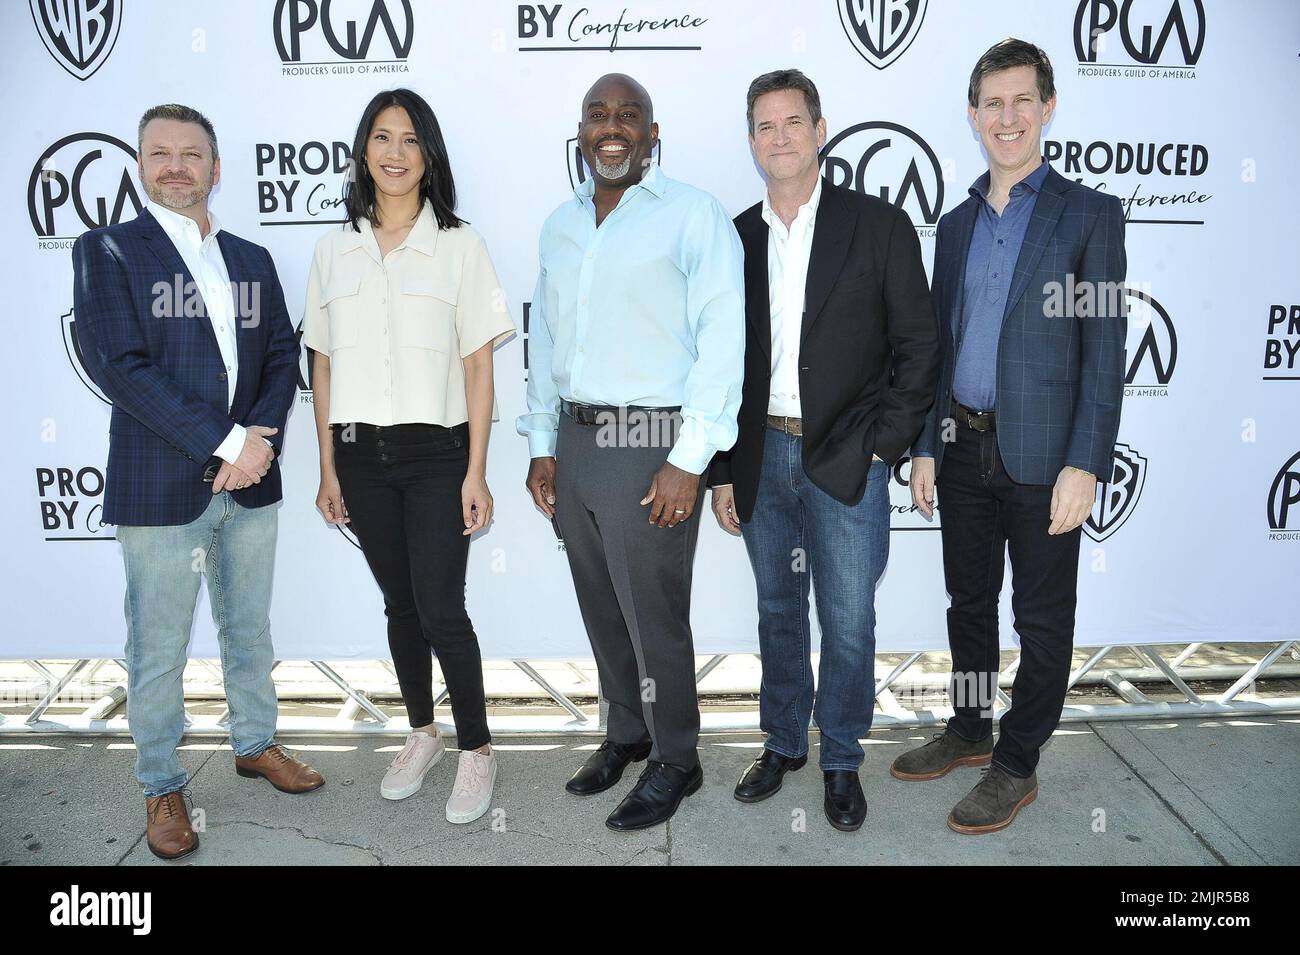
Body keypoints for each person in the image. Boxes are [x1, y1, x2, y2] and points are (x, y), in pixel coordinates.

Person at [72, 104, 321, 861]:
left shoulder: (250, 258)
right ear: (140, 167)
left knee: (249, 628)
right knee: (158, 644)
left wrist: (260, 441)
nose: (175, 166)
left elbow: (283, 353)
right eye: (159, 154)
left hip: (250, 483)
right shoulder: (108, 250)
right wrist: (226, 441)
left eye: (191, 154)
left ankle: (255, 742)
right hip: (161, 486)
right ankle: (161, 781)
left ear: (217, 169)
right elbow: (119, 365)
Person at [894, 39, 1127, 834]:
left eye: (1022, 100)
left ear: (1048, 107)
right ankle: (968, 726)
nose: (1007, 116)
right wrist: (926, 442)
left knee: (1042, 618)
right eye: (992, 103)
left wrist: (1084, 462)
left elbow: (1104, 350)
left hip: (1044, 460)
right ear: (972, 115)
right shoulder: (956, 225)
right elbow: (938, 343)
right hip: (963, 447)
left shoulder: (1090, 214)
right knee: (968, 602)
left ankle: (1016, 761)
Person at [707, 70, 939, 832]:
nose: (780, 137)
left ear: (820, 129)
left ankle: (840, 754)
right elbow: (715, 362)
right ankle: (783, 742)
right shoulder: (733, 237)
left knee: (846, 618)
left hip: (847, 458)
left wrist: (881, 449)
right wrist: (719, 470)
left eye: (793, 122)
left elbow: (918, 345)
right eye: (765, 126)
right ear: (751, 141)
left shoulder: (878, 226)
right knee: (778, 609)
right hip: (760, 455)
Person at [519, 73, 745, 832]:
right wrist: (545, 443)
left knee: (653, 615)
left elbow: (723, 339)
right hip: (577, 443)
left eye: (629, 114)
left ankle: (677, 757)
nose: (611, 126)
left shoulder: (693, 216)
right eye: (597, 114)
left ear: (653, 132)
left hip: (652, 442)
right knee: (601, 604)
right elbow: (546, 337)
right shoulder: (559, 225)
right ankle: (627, 730)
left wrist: (691, 458)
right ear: (580, 132)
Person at [303, 89, 514, 825]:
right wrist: (328, 467)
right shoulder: (334, 249)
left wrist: (476, 469)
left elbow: (480, 368)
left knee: (441, 607)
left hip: (437, 454)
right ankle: (421, 732)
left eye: (410, 140)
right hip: (359, 455)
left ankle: (478, 749)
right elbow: (321, 367)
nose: (395, 153)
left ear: (430, 155)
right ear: (363, 150)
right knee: (399, 605)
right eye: (382, 138)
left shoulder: (461, 245)